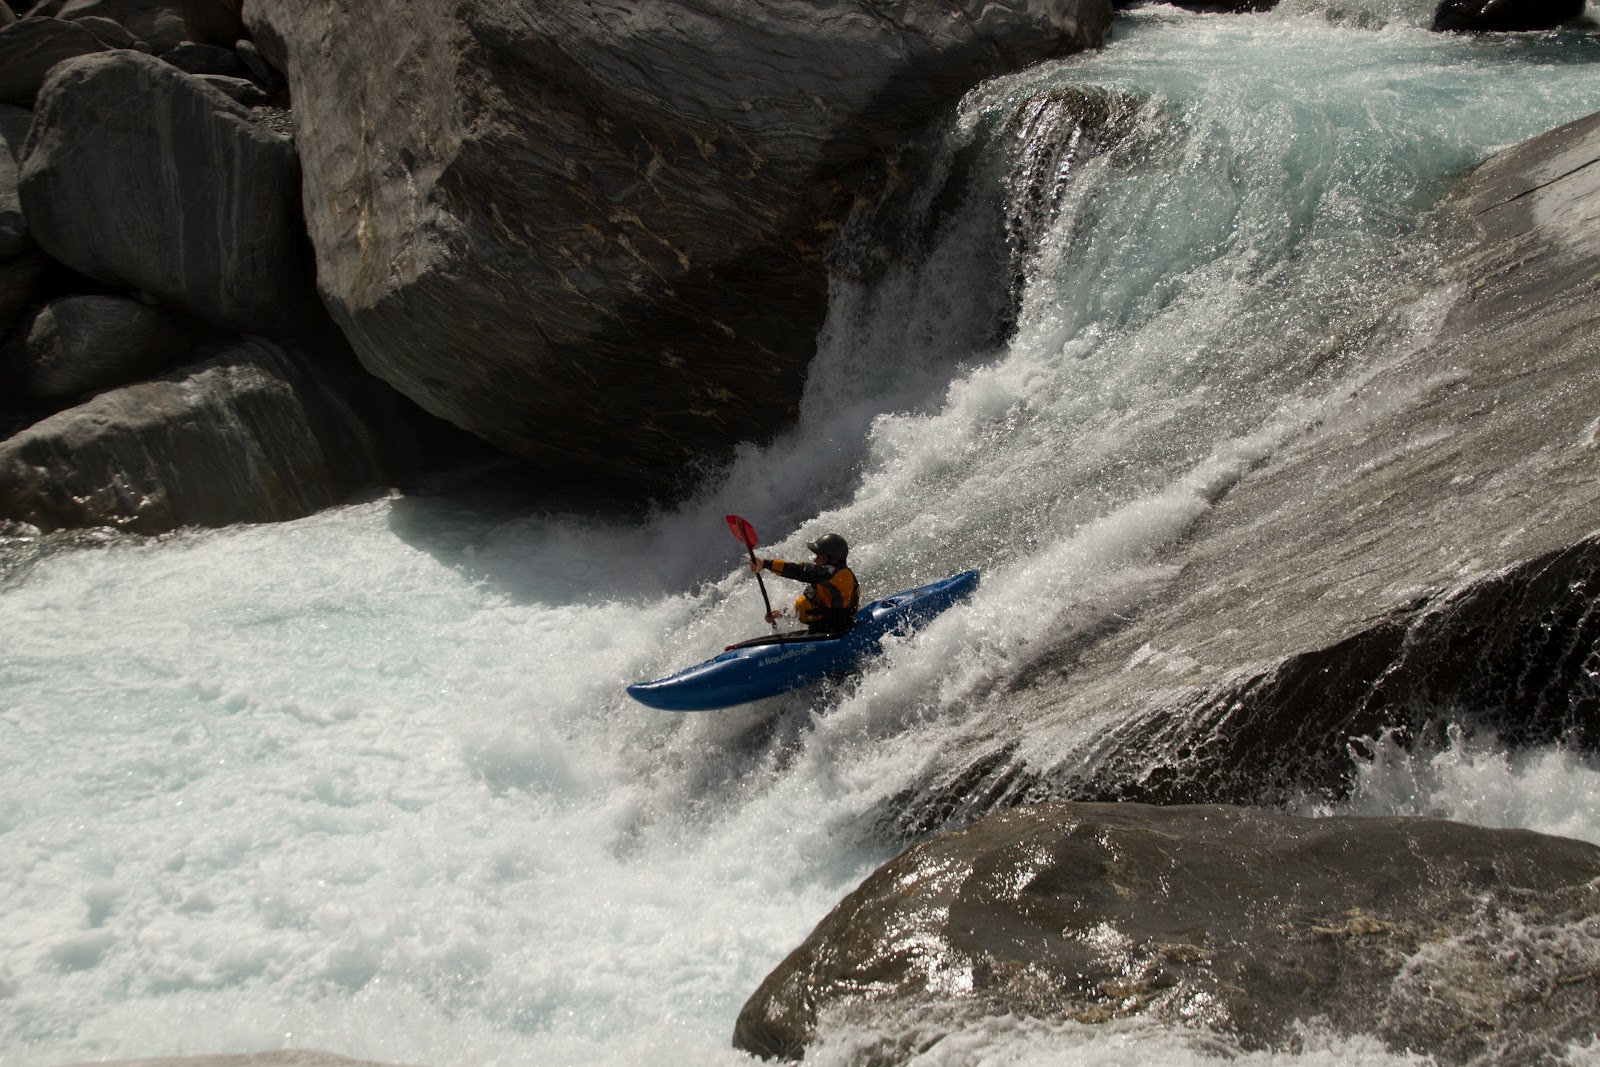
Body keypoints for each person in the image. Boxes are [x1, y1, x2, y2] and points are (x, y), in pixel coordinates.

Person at [748, 532, 860, 635]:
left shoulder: (839, 575)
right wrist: (781, 614)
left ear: (834, 558)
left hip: (839, 632)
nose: (815, 560)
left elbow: (799, 571)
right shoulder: (826, 580)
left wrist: (765, 564)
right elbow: (816, 604)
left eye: (819, 557)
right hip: (822, 629)